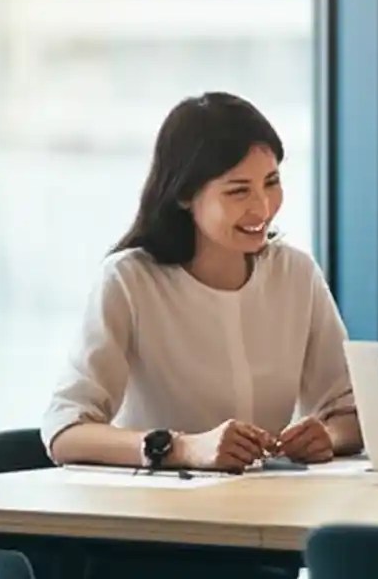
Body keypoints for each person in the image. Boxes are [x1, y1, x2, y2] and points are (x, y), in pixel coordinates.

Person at [43, 92, 360, 472]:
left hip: (268, 505)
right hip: (156, 513)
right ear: (183, 194)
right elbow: (65, 431)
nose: (262, 207)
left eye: (271, 182)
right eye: (238, 190)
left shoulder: (296, 274)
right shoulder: (129, 280)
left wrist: (328, 436)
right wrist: (183, 448)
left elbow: (354, 413)